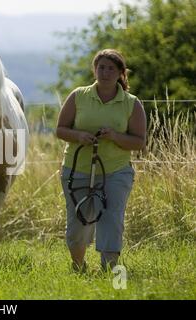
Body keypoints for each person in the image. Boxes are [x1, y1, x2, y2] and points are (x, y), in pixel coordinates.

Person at [56, 49, 147, 272]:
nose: (105, 72)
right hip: (77, 169)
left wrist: (115, 137)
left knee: (111, 219)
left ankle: (110, 269)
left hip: (116, 172)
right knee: (77, 225)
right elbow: (60, 129)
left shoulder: (131, 103)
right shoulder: (79, 96)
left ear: (121, 74)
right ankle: (78, 266)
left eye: (110, 68)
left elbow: (139, 142)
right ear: (94, 69)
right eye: (101, 67)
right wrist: (79, 136)